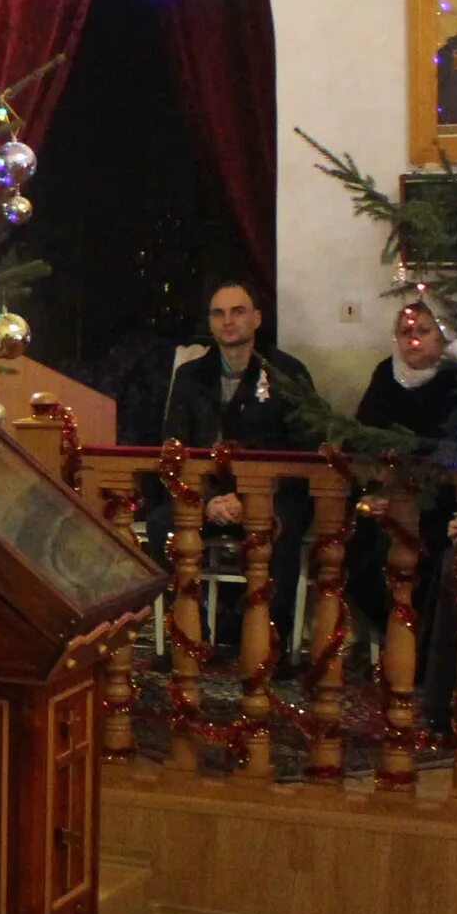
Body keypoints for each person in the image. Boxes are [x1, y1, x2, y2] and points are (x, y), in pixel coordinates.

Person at [155, 277, 318, 657]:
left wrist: (251, 499)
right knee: (163, 522)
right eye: (219, 313)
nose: (228, 321)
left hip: (274, 495)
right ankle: (192, 634)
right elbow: (174, 447)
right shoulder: (190, 376)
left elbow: (306, 451)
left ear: (257, 318)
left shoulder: (287, 373)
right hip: (207, 494)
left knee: (280, 528)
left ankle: (269, 643)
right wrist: (206, 501)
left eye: (238, 311)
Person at [346, 300, 457, 655]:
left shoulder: (456, 381)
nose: (413, 340)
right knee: (358, 552)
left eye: (423, 331)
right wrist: (373, 492)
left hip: (438, 502)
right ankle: (394, 640)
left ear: (441, 336)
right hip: (385, 499)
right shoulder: (386, 375)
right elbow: (361, 441)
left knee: (429, 557)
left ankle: (420, 651)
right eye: (406, 332)